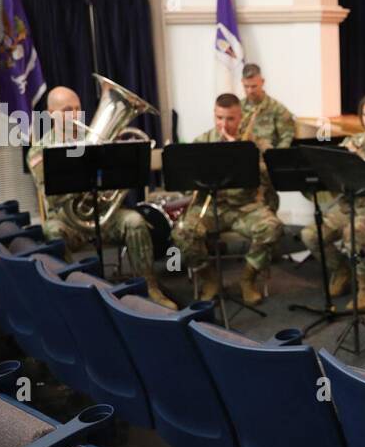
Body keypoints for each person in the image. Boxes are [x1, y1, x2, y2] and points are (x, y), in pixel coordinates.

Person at [26, 86, 173, 308]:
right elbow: (54, 196)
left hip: (103, 214)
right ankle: (74, 294)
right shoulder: (39, 151)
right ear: (50, 114)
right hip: (68, 219)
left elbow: (116, 181)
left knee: (134, 221)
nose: (75, 115)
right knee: (51, 231)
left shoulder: (96, 140)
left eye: (77, 109)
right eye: (67, 110)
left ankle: (149, 287)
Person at [169, 93, 282, 305]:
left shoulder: (254, 143)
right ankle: (210, 280)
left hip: (244, 207)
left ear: (240, 117)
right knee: (182, 231)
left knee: (272, 227)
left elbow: (271, 175)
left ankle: (247, 279)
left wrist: (241, 153)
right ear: (214, 115)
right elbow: (186, 178)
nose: (224, 124)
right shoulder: (202, 142)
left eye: (230, 119)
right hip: (210, 206)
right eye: (220, 118)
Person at [299, 92, 365, 310]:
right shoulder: (352, 141)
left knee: (354, 230)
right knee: (311, 235)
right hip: (352, 204)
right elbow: (335, 175)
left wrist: (361, 161)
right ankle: (342, 270)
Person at [239, 62, 295, 206]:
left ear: (262, 82)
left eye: (254, 86)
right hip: (242, 160)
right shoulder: (238, 108)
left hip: (265, 162)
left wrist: (273, 157)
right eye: (246, 86)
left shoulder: (277, 109)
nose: (250, 91)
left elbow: (286, 138)